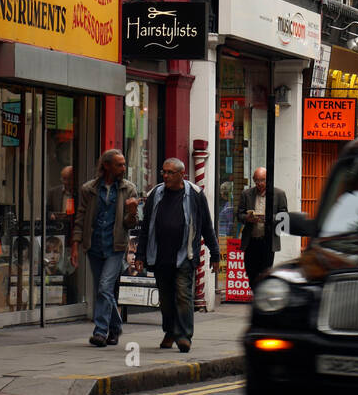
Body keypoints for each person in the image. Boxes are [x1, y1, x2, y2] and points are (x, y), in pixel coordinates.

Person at [137, 157, 219, 353]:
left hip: (185, 255)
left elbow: (207, 226)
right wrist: (140, 254)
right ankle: (170, 331)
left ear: (182, 174)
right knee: (165, 299)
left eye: (170, 172)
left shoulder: (196, 195)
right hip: (159, 256)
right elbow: (146, 227)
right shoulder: (155, 194)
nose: (165, 176)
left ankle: (184, 336)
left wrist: (215, 254)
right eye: (163, 172)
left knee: (183, 295)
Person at [72, 149, 139, 347]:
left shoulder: (129, 189)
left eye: (124, 164)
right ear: (107, 166)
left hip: (115, 247)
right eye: (119, 164)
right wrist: (75, 245)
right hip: (94, 245)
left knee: (104, 287)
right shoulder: (89, 189)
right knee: (103, 290)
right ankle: (115, 327)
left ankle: (100, 331)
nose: (123, 168)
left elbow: (130, 224)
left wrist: (132, 213)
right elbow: (81, 218)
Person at [237, 167, 288, 294]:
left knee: (265, 272)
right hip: (251, 240)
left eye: (263, 180)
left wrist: (270, 219)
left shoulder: (279, 194)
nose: (260, 183)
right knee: (250, 271)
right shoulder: (246, 194)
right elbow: (239, 215)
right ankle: (256, 293)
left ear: (268, 180)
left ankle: (262, 295)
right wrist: (248, 218)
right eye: (257, 180)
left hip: (268, 241)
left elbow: (284, 216)